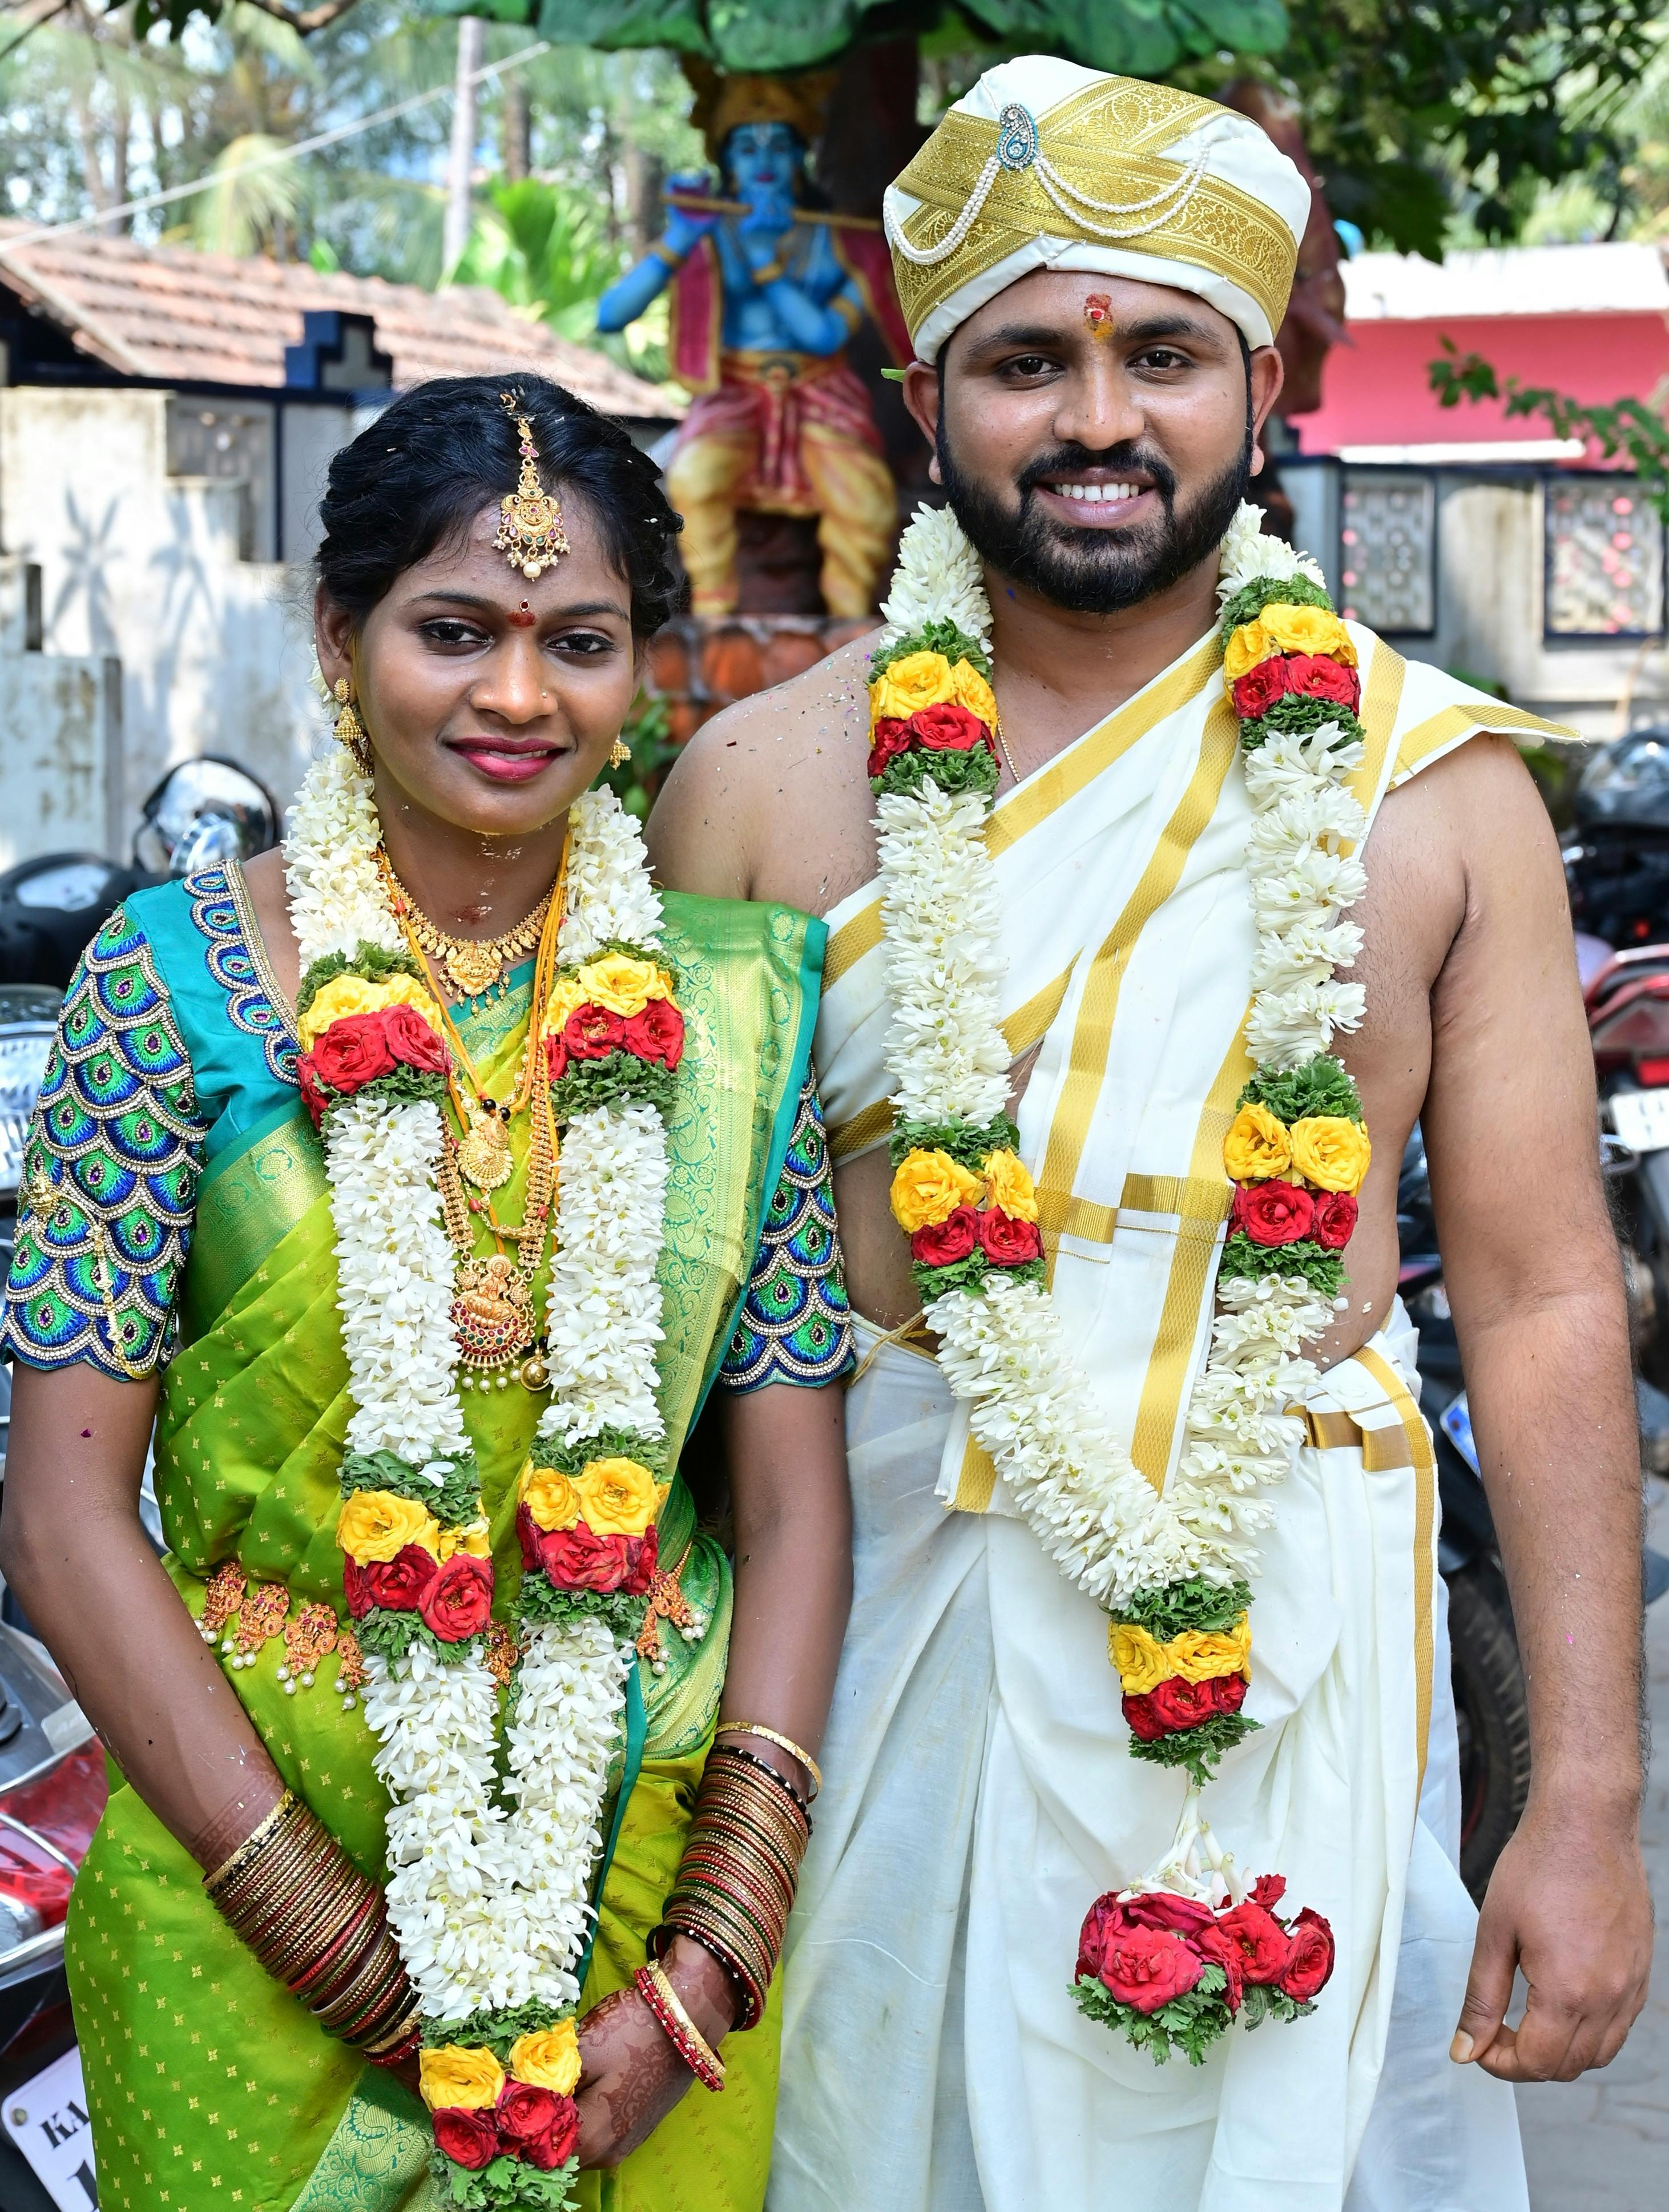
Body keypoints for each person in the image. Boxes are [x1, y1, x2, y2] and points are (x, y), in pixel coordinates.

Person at [647, 54, 1654, 2212]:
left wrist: (1578, 1802)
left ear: (1256, 387)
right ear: (929, 402)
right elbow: (690, 1316)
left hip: (1289, 1643)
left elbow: (1544, 1289)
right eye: (1025, 358)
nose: (1095, 417)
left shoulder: (1430, 787)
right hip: (884, 1648)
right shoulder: (755, 788)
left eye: (1159, 354)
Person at [0, 373, 854, 2212]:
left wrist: (709, 1952)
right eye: (451, 629)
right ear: (339, 633)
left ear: (645, 666)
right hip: (249, 1893)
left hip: (643, 1900)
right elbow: (65, 1518)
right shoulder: (172, 984)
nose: (516, 695)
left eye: (579, 639)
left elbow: (786, 1501)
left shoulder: (741, 1005)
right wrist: (363, 1968)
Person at [595, 69, 903, 619]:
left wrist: (764, 260)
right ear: (726, 161)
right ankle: (716, 626)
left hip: (822, 392)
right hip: (731, 394)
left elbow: (824, 335)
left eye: (780, 145)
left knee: (867, 502)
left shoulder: (840, 238)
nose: (764, 160)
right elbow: (610, 314)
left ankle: (847, 633)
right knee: (691, 482)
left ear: (800, 157)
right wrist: (679, 238)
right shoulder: (707, 231)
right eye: (746, 146)